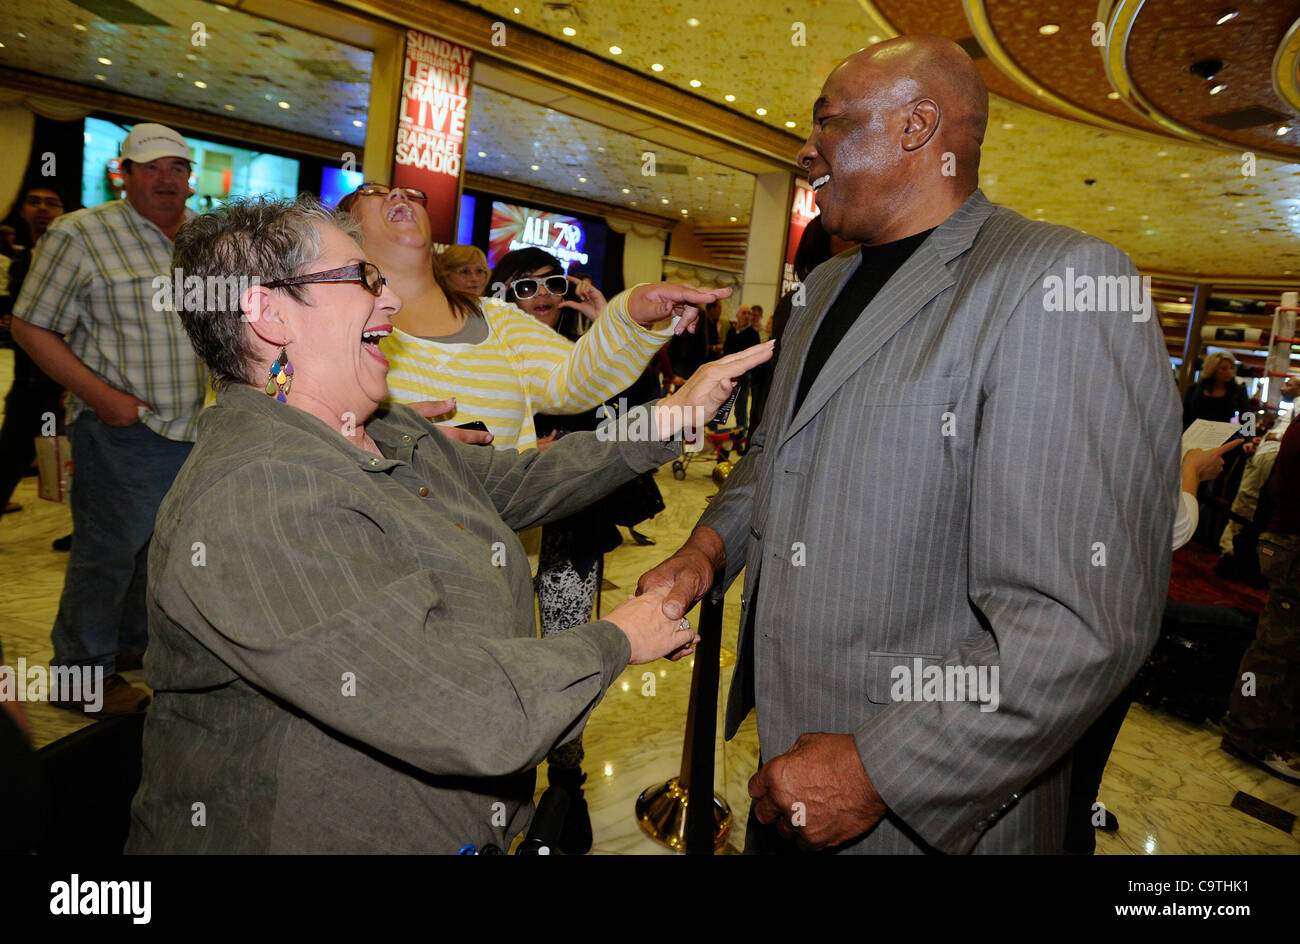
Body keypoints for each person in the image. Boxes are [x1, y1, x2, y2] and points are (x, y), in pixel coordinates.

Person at [637, 35, 1180, 854]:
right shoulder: (821, 288)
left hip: (924, 809)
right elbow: (777, 454)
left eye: (826, 122)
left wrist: (880, 771)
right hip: (786, 768)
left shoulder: (1053, 284)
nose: (805, 147)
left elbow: (1079, 622)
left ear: (918, 126)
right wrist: (708, 548)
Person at [126, 194, 772, 853]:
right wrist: (616, 639)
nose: (389, 302)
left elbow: (510, 485)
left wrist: (672, 417)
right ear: (267, 314)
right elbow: (469, 712)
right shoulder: (259, 497)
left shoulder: (379, 424)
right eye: (360, 279)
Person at [11, 123, 205, 715]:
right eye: (151, 167)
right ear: (123, 174)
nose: (165, 178)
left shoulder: (204, 238)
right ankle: (77, 676)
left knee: (158, 552)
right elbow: (29, 324)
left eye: (176, 167)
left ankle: (125, 649)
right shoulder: (80, 234)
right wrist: (101, 397)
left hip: (196, 429)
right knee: (106, 552)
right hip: (122, 428)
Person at [1219, 418, 1300, 784]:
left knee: (1281, 646)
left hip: (1285, 539)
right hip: (1292, 543)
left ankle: (1263, 733)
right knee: (1276, 648)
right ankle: (1247, 733)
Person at [0, 186, 67, 517]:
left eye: (51, 203)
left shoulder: (72, 261)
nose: (42, 208)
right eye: (34, 202)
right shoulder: (22, 260)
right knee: (11, 451)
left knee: (78, 460)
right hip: (28, 379)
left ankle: (83, 530)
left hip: (68, 383)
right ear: (23, 210)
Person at [1182, 351, 1250, 429]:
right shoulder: (1193, 389)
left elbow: (1246, 417)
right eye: (1224, 369)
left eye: (1232, 368)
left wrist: (1250, 438)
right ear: (1212, 370)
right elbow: (1184, 416)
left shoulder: (1238, 390)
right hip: (1194, 434)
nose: (1229, 372)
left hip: (1223, 435)